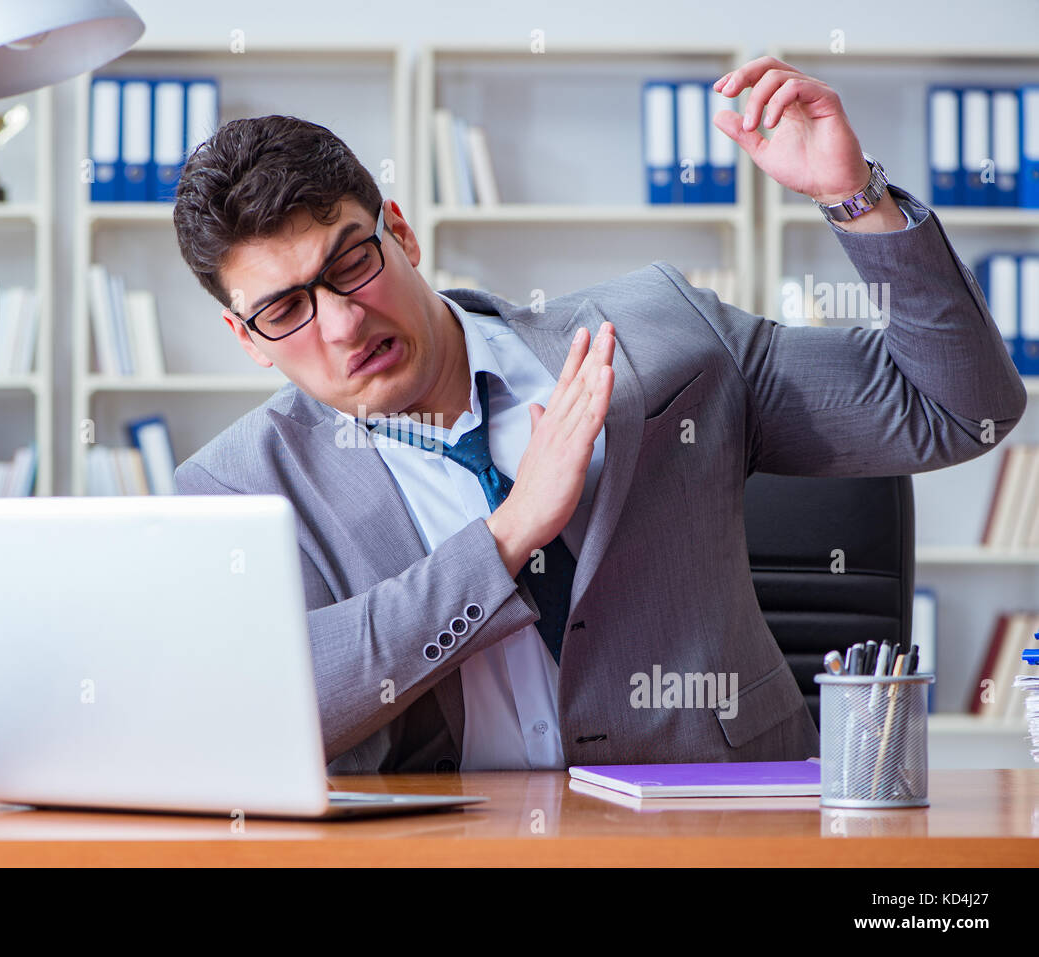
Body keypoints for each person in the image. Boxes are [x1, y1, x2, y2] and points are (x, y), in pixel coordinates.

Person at [171, 57, 1025, 773]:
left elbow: (961, 409)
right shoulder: (237, 486)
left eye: (353, 261)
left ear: (400, 230)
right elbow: (256, 713)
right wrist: (506, 538)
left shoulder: (661, 338)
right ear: (247, 338)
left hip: (726, 835)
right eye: (286, 311)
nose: (344, 322)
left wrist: (853, 196)